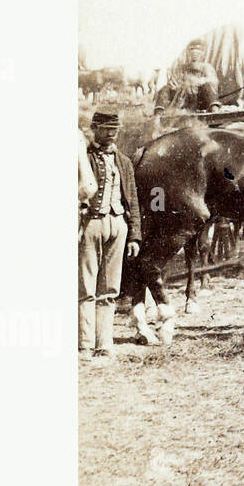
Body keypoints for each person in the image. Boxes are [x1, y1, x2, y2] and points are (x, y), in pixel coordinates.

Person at [79, 112, 142, 359]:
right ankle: (84, 344)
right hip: (90, 224)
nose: (111, 134)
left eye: (114, 129)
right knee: (86, 285)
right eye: (105, 129)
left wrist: (135, 235)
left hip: (118, 225)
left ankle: (104, 344)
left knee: (110, 288)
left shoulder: (124, 162)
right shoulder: (83, 158)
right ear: (94, 129)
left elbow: (133, 200)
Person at [156, 39, 220, 110]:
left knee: (207, 86)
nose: (194, 52)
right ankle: (159, 110)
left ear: (203, 53)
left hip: (199, 98)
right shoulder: (181, 67)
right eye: (191, 49)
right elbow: (173, 82)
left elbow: (213, 81)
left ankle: (214, 108)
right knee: (165, 88)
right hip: (183, 98)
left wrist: (198, 82)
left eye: (198, 49)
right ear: (188, 52)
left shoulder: (206, 66)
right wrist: (175, 85)